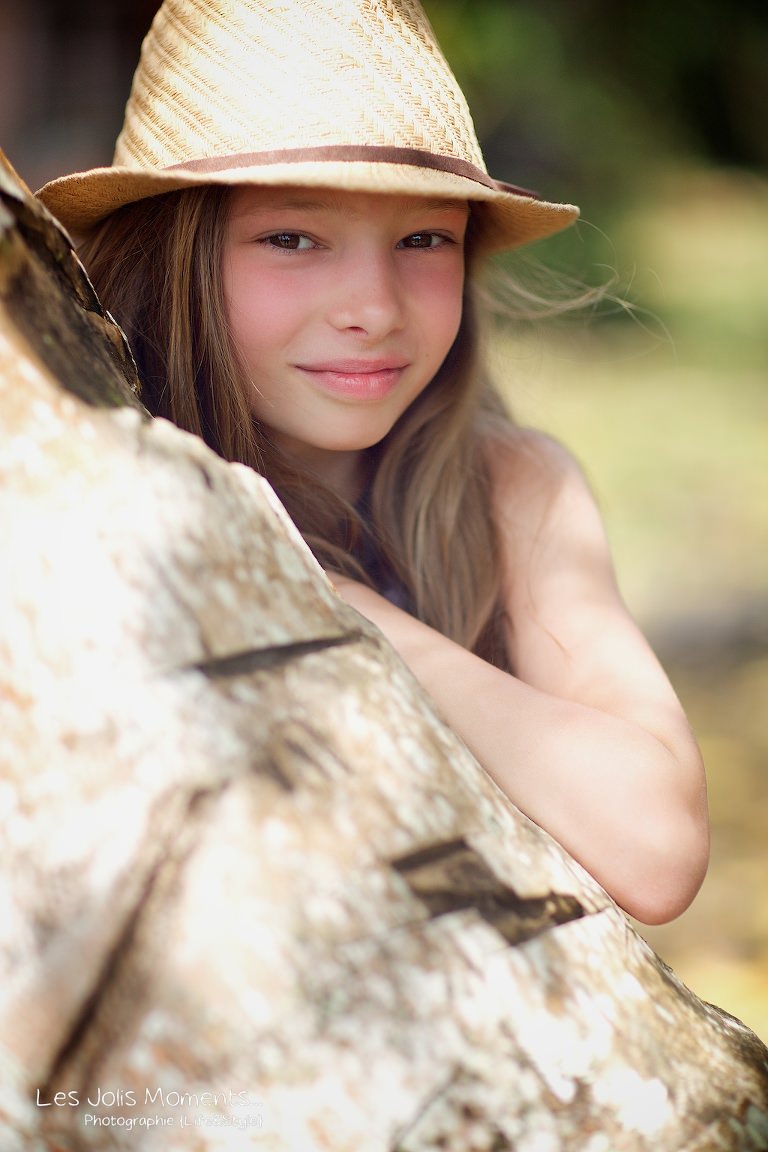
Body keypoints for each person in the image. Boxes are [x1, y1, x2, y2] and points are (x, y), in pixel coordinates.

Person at [37, 0, 708, 925]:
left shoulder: (513, 489)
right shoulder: (89, 492)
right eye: (293, 238)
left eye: (422, 239)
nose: (375, 307)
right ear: (175, 256)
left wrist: (346, 611)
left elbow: (657, 848)